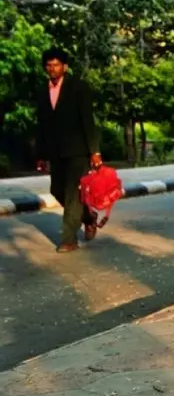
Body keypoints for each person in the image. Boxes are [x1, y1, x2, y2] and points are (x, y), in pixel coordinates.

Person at [34, 47, 102, 253]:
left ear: (65, 66)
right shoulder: (41, 90)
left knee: (73, 195)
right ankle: (89, 218)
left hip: (77, 150)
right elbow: (42, 124)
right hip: (55, 151)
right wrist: (41, 154)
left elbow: (87, 121)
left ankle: (69, 239)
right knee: (57, 190)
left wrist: (94, 151)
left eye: (56, 65)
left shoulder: (78, 87)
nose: (52, 69)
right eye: (48, 65)